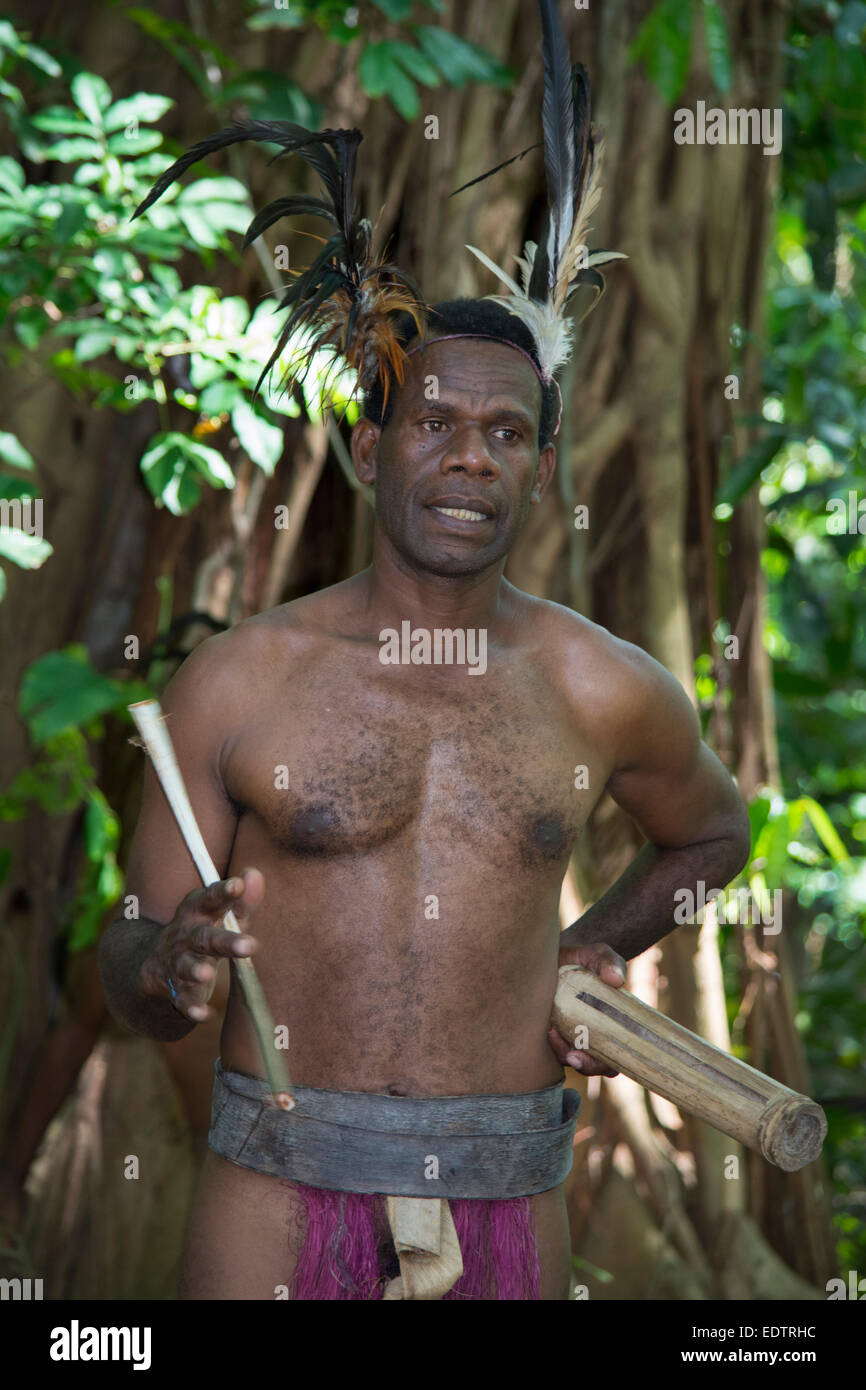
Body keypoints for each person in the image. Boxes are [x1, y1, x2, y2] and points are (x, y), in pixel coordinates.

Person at [99, 2, 751, 1299]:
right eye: (433, 421)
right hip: (275, 1189)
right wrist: (169, 960)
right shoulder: (240, 680)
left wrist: (592, 944)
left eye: (506, 433)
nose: (469, 455)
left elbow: (713, 831)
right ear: (364, 450)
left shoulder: (601, 684)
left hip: (508, 1182)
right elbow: (125, 947)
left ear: (541, 466)